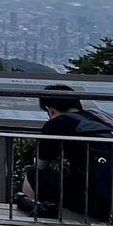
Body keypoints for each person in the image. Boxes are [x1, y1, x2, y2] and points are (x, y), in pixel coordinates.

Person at [16, 84, 98, 217]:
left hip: (87, 197)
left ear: (51, 110)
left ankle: (34, 208)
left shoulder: (56, 124)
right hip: (108, 195)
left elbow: (42, 165)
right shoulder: (95, 118)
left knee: (32, 173)